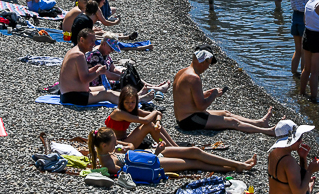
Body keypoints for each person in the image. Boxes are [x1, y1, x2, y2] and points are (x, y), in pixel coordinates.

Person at [173, 49, 276, 134]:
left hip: (185, 116)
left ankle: (260, 122)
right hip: (189, 120)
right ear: (203, 62)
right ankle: (266, 131)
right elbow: (201, 106)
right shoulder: (194, 78)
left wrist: (206, 93)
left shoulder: (182, 72)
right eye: (208, 63)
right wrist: (213, 95)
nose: (208, 67)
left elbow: (186, 98)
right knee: (233, 122)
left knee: (226, 113)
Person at [88, 126, 258, 177]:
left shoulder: (108, 152)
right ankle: (237, 167)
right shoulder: (108, 163)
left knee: (194, 150)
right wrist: (155, 154)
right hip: (153, 162)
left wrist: (126, 147)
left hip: (149, 154)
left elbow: (131, 149)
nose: (116, 143)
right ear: (103, 145)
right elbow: (131, 172)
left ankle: (237, 164)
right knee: (193, 163)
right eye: (113, 142)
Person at [58, 28, 119, 105]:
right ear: (82, 40)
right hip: (73, 96)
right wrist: (98, 72)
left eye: (94, 41)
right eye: (91, 41)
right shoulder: (78, 55)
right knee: (108, 94)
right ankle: (131, 103)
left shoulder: (74, 51)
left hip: (69, 94)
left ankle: (134, 97)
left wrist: (94, 69)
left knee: (105, 88)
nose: (94, 44)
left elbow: (81, 74)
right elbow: (84, 79)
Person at [104, 84, 177, 148]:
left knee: (154, 123)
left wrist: (158, 122)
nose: (130, 105)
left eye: (133, 102)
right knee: (149, 125)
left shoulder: (132, 110)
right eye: (127, 102)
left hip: (125, 140)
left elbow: (158, 114)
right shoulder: (119, 112)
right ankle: (172, 150)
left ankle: (175, 147)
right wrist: (155, 112)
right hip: (117, 144)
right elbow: (145, 120)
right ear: (121, 102)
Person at [289, 0, 317, 76]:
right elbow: (313, 7)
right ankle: (303, 74)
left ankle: (293, 73)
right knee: (305, 51)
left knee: (297, 50)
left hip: (295, 17)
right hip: (305, 19)